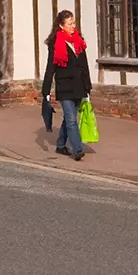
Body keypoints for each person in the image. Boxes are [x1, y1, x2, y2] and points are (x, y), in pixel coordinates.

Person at [42, 9, 92, 161]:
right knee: (71, 119)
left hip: (78, 86)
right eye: (69, 23)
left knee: (69, 118)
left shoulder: (78, 40)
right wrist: (46, 90)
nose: (73, 26)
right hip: (64, 85)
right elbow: (50, 67)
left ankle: (60, 144)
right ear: (61, 26)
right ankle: (77, 149)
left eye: (73, 23)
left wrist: (88, 86)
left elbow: (84, 65)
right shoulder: (55, 43)